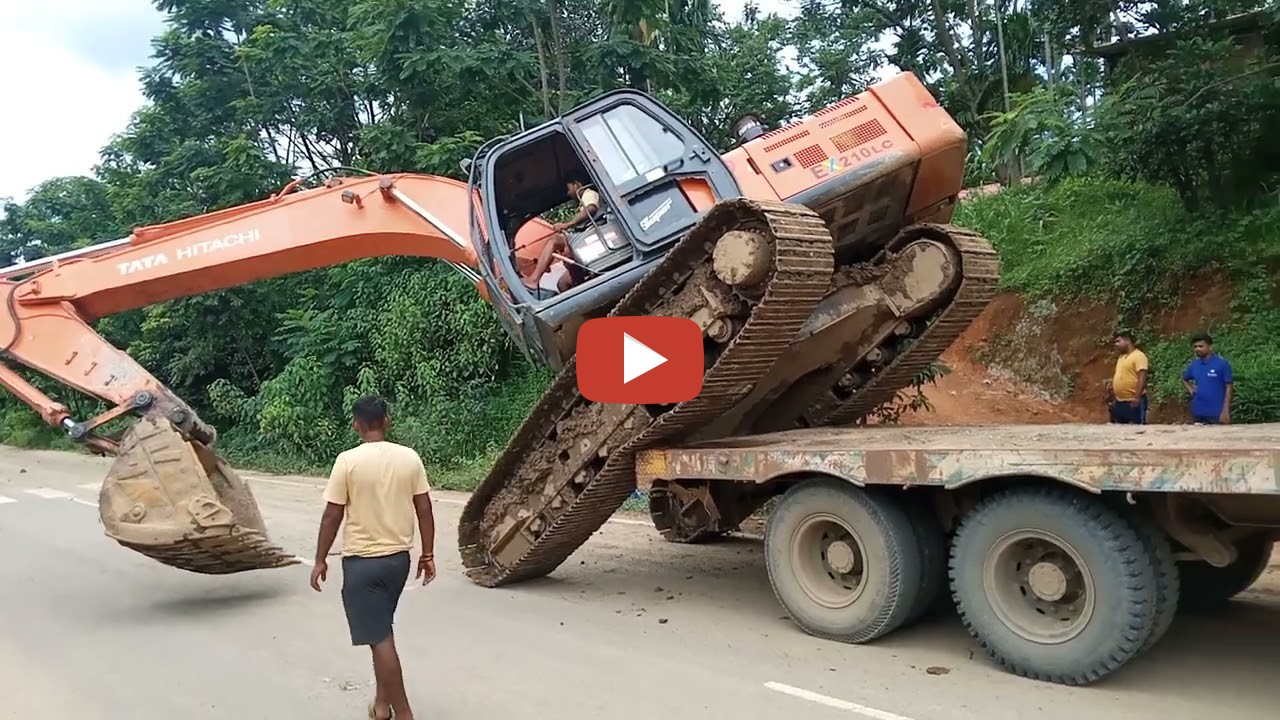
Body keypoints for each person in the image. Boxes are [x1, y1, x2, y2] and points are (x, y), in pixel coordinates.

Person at [310, 395, 437, 720]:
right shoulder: (409, 458)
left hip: (362, 564)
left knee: (379, 639)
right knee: (382, 630)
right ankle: (381, 707)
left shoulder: (347, 461)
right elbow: (424, 509)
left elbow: (331, 516)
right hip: (398, 562)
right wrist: (428, 554)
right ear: (387, 421)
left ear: (356, 424)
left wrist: (321, 559)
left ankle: (404, 713)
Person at [523, 174, 601, 294]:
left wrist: (567, 224)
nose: (568, 193)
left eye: (568, 189)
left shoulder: (589, 193)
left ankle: (534, 279)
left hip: (590, 238)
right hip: (582, 239)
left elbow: (590, 208)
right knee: (562, 284)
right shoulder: (581, 202)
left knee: (554, 240)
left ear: (576, 184)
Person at [1181, 331, 1233, 424]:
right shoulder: (1194, 365)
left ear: (1210, 347)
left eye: (1201, 346)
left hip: (1216, 413)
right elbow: (1185, 379)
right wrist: (1191, 391)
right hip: (1198, 412)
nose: (1197, 349)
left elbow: (1228, 387)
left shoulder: (1222, 364)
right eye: (1195, 347)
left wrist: (1225, 411)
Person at [1108, 331, 1149, 424]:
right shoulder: (1121, 357)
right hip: (1120, 402)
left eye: (1118, 341)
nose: (1116, 344)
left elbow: (1142, 377)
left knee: (1136, 430)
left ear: (1128, 341)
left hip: (1133, 402)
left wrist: (1137, 397)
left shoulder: (1139, 356)